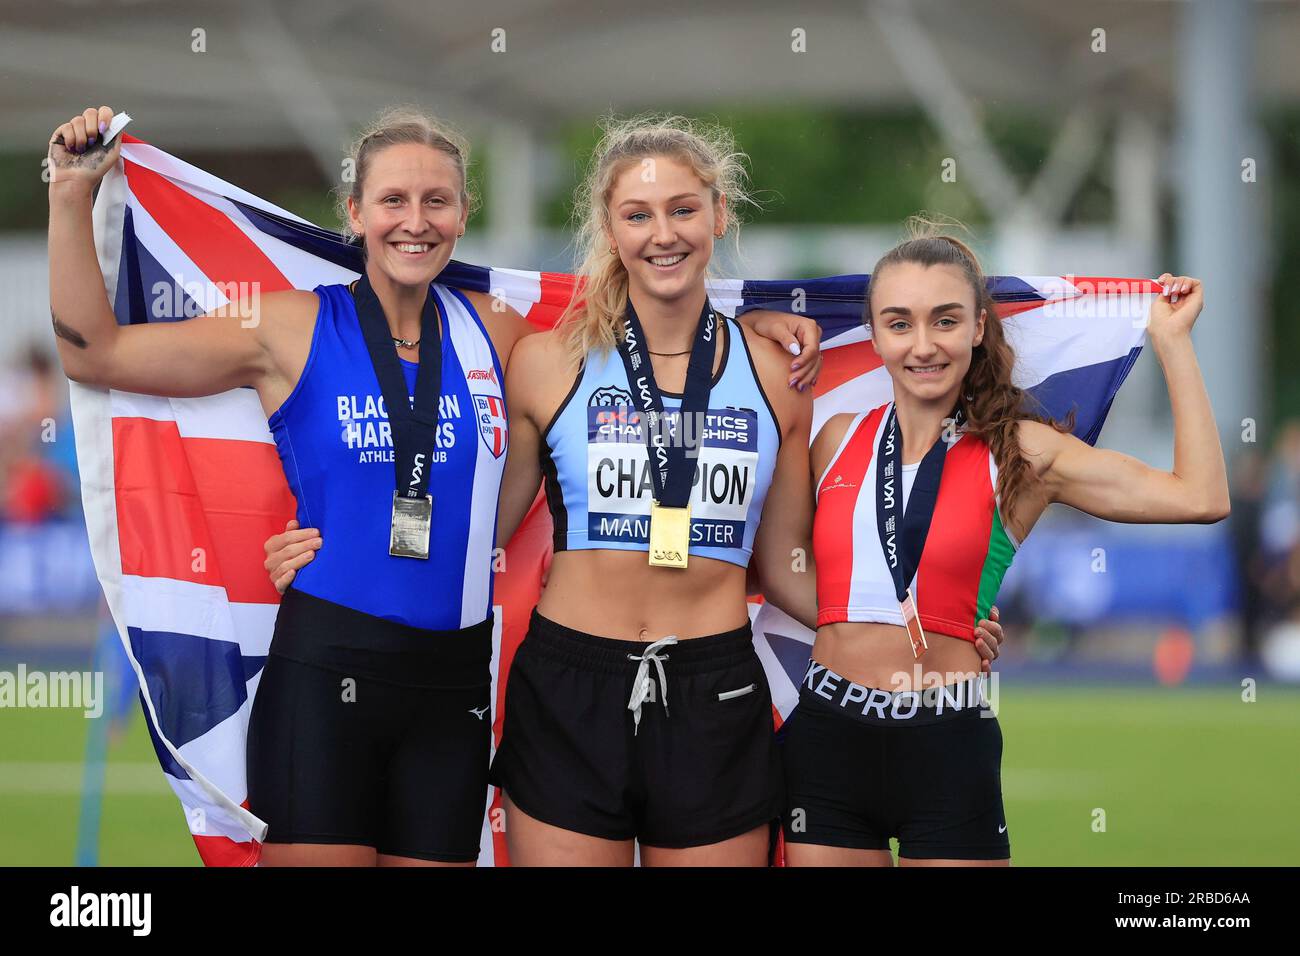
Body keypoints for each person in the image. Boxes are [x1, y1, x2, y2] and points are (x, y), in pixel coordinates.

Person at [48, 103, 537, 867]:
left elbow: (634, 338)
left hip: (453, 690)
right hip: (325, 674)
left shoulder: (499, 331)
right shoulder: (285, 327)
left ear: (464, 213)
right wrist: (71, 194)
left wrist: (774, 327)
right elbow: (96, 352)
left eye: (436, 200)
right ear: (355, 212)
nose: (416, 221)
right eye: (393, 201)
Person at [757, 221, 1229, 866]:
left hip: (947, 740)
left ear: (979, 327)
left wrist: (1171, 341)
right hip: (829, 738)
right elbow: (781, 570)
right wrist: (902, 620)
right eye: (899, 323)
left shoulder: (1022, 453)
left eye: (945, 320)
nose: (923, 345)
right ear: (874, 335)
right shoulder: (835, 438)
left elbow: (1200, 496)